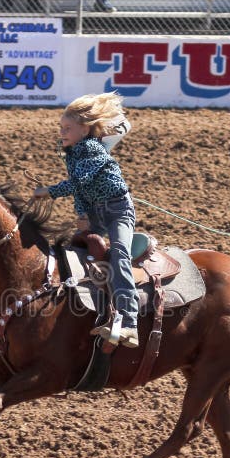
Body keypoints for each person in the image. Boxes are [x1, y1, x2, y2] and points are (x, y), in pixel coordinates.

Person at [34, 92, 139, 348]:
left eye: (67, 128)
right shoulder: (71, 153)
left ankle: (129, 322)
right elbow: (82, 190)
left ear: (85, 129)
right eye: (60, 127)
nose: (62, 132)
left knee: (120, 254)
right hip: (95, 213)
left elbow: (80, 181)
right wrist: (82, 215)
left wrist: (50, 191)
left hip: (117, 211)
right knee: (76, 254)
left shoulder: (91, 148)